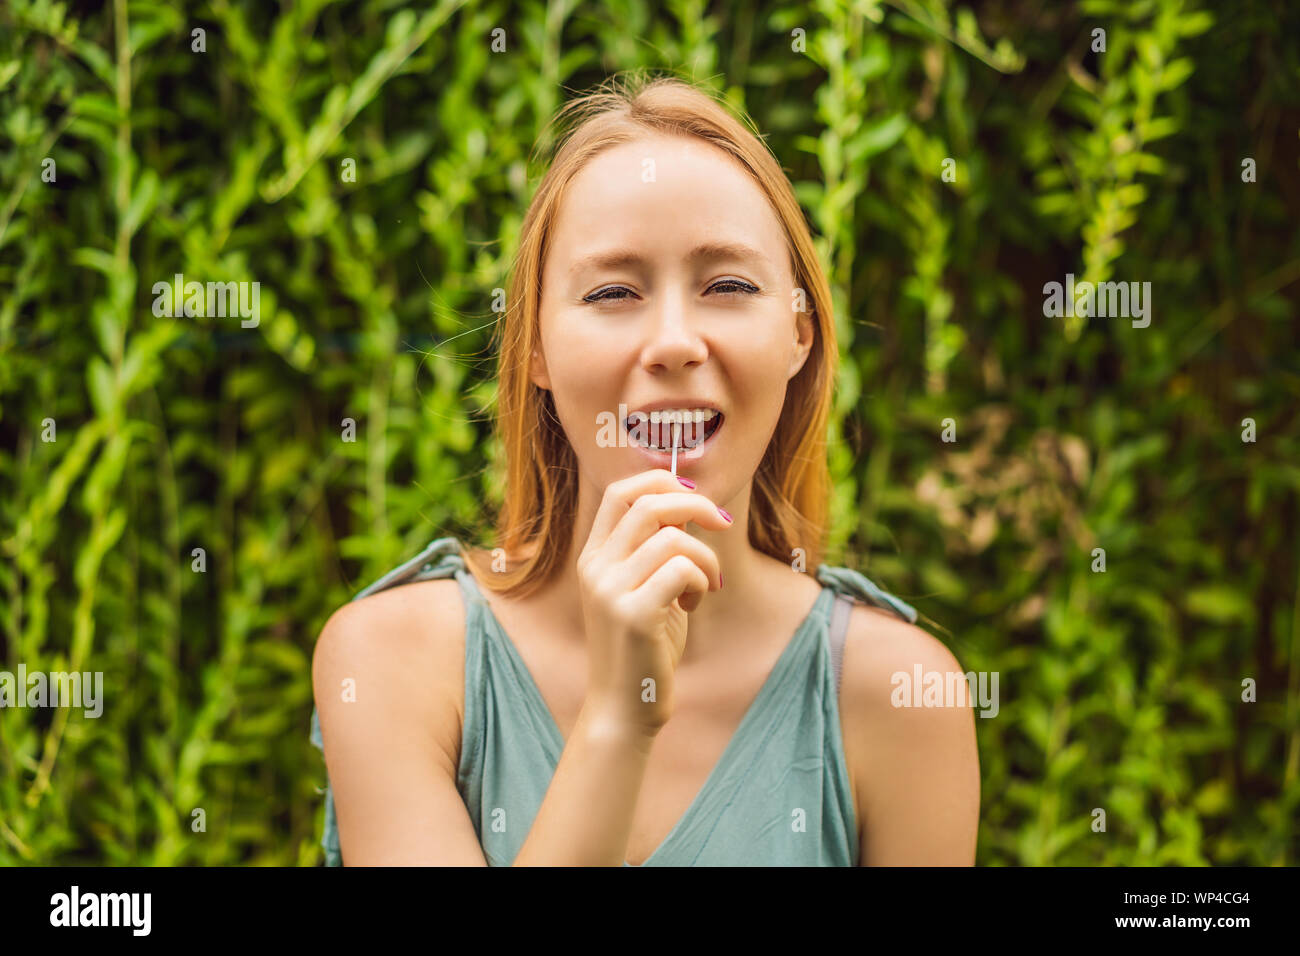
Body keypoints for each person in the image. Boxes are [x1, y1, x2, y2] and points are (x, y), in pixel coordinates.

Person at [310, 72, 979, 866]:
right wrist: (619, 719)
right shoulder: (392, 662)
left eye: (727, 285)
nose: (673, 342)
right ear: (534, 349)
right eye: (614, 291)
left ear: (800, 335)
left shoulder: (901, 693)